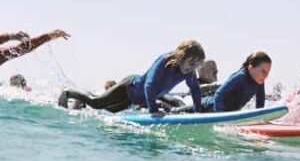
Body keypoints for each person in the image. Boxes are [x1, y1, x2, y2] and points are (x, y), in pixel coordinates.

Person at [58, 40, 205, 115]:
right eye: (190, 63)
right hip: (129, 87)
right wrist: (153, 110)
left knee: (111, 111)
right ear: (181, 57)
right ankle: (68, 93)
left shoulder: (189, 72)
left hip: (136, 98)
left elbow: (195, 90)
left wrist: (198, 110)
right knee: (97, 103)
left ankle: (80, 99)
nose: (192, 68)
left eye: (195, 65)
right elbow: (149, 85)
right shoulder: (164, 61)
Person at [198, 52, 271, 112]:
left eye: (268, 72)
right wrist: (221, 117)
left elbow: (260, 100)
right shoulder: (240, 77)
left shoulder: (259, 80)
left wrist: (259, 118)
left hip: (230, 112)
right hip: (210, 108)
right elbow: (219, 94)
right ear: (251, 68)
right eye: (263, 71)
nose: (266, 75)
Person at [0, 29, 70, 66]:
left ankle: (15, 35)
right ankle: (15, 35)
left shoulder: (2, 55)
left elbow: (24, 48)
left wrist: (48, 36)